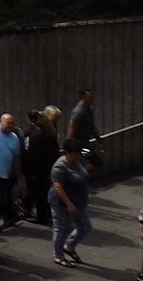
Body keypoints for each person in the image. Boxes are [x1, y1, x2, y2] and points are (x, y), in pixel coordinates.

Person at [51, 138, 93, 267]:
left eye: (78, 153)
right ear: (66, 153)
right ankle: (58, 255)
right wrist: (69, 205)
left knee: (85, 227)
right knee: (62, 229)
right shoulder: (59, 167)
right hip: (63, 204)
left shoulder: (76, 163)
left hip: (80, 202)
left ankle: (69, 245)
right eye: (74, 154)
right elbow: (58, 187)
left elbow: (83, 175)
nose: (77, 156)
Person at [24, 107, 61, 225]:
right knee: (46, 194)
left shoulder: (36, 136)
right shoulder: (51, 134)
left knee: (38, 195)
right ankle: (47, 215)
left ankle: (41, 217)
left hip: (38, 172)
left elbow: (33, 156)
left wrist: (30, 172)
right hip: (49, 169)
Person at [68, 88, 103, 153]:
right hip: (79, 143)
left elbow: (92, 126)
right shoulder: (79, 111)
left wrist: (99, 140)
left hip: (85, 141)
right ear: (83, 97)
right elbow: (72, 128)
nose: (92, 100)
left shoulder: (88, 110)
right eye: (89, 97)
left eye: (92, 97)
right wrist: (70, 145)